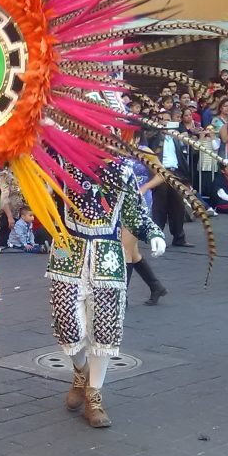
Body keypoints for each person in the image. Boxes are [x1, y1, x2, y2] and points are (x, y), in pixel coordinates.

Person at [48, 158, 165, 428]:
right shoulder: (61, 160)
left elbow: (135, 215)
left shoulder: (123, 171)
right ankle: (81, 372)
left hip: (107, 258)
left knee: (104, 328)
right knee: (67, 324)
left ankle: (94, 394)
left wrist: (153, 233)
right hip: (68, 254)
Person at [125, 147, 168, 305]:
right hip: (121, 203)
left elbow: (162, 174)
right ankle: (156, 286)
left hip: (139, 204)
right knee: (132, 251)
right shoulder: (114, 147)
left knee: (125, 248)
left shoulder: (143, 150)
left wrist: (146, 186)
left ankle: (122, 295)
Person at [147, 110, 194, 247]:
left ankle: (179, 237)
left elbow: (182, 157)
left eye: (168, 120)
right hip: (160, 173)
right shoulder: (154, 135)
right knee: (159, 207)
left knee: (178, 206)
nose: (166, 122)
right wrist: (160, 131)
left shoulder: (175, 137)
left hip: (175, 173)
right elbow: (150, 140)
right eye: (163, 119)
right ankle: (157, 237)